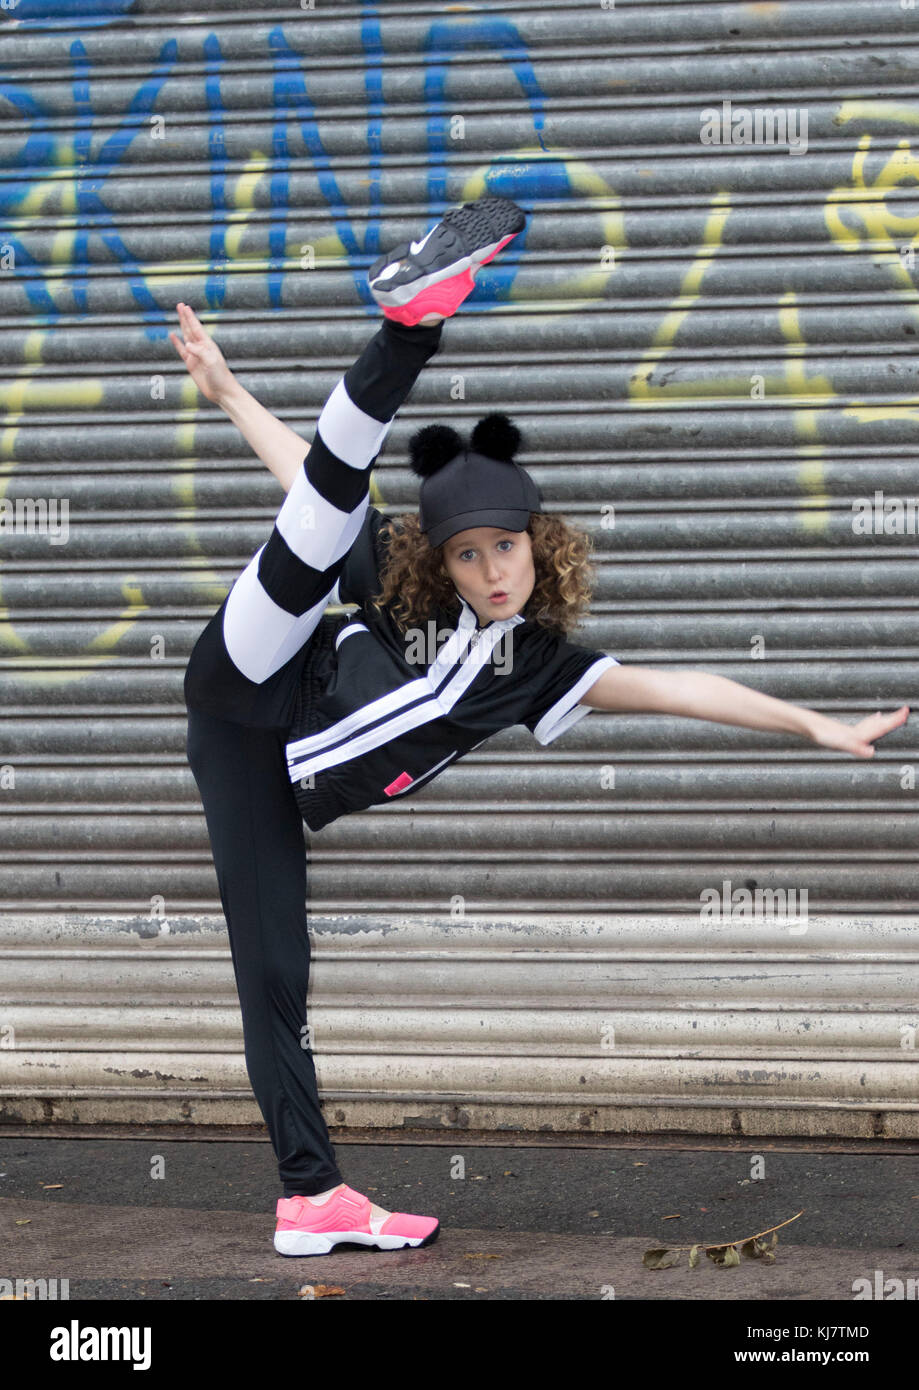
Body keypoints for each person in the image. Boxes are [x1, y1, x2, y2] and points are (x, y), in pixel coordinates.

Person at [170, 196, 909, 1257]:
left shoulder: (539, 664)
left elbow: (683, 688)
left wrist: (814, 725)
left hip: (258, 780)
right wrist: (232, 391)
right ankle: (411, 322)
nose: (488, 571)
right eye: (466, 555)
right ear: (446, 560)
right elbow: (308, 479)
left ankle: (311, 1197)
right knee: (331, 513)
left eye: (503, 551)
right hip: (253, 674)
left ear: (537, 547)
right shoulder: (407, 584)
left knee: (276, 979)